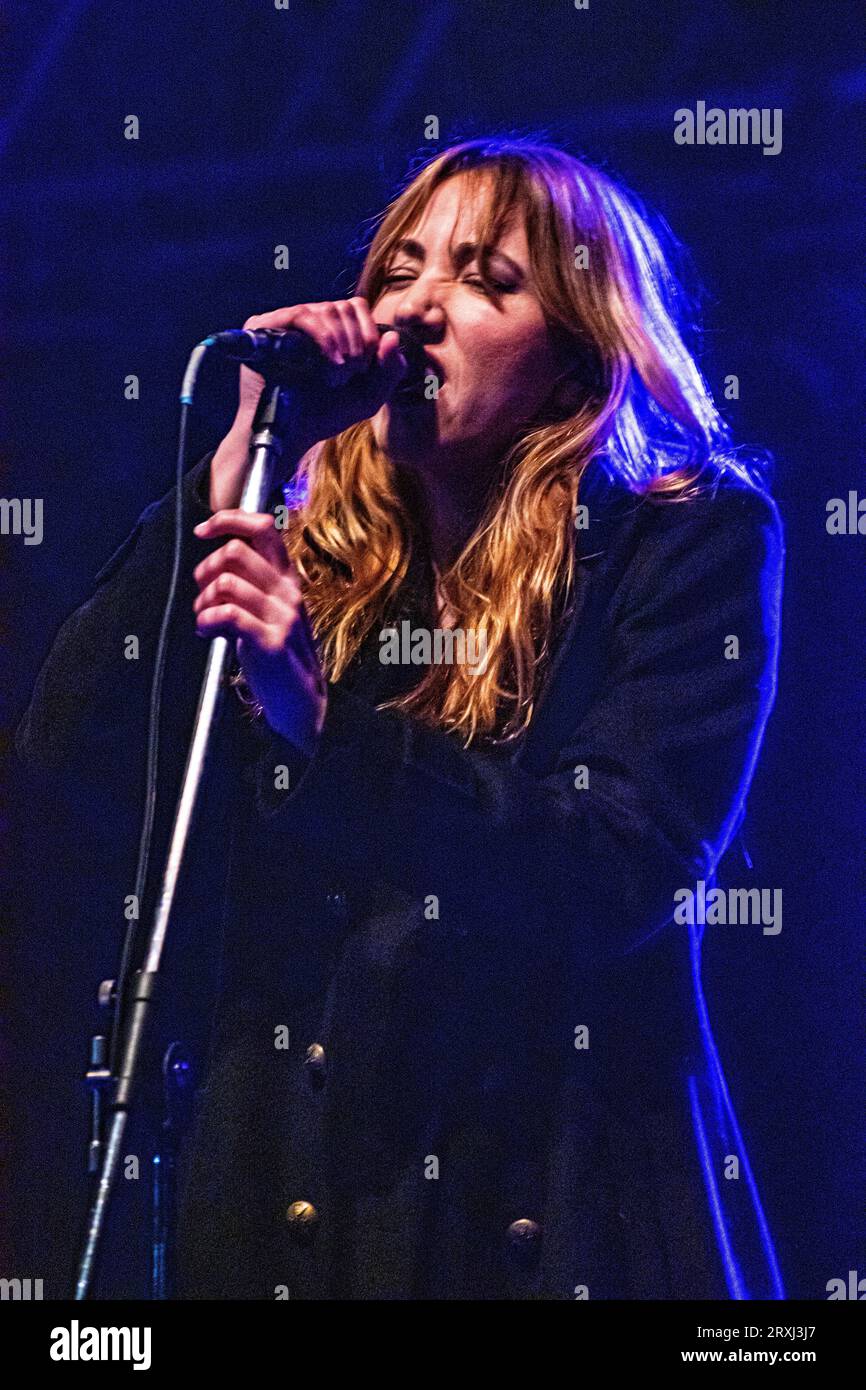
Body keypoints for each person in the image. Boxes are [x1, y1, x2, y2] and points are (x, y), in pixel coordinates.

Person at [15, 136, 785, 1300]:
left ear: (578, 349)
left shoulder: (680, 539)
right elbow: (68, 748)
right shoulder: (305, 531)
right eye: (401, 270)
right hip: (285, 1199)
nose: (417, 310)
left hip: (541, 1197)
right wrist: (227, 480)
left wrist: (328, 727)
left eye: (486, 280)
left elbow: (618, 865)